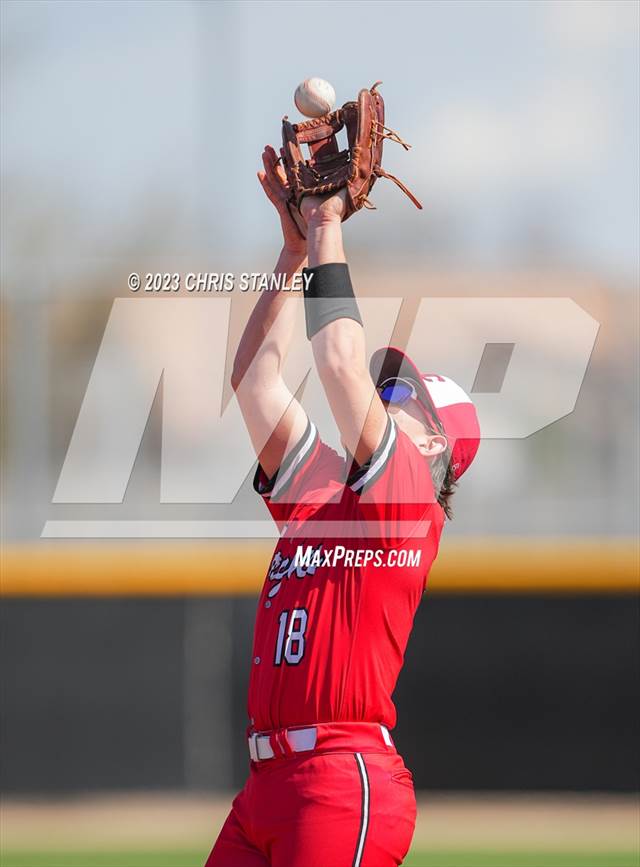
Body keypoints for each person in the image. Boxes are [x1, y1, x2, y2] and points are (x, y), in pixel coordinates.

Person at [205, 145, 480, 867]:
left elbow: (335, 363)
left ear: (439, 453)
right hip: (268, 784)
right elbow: (255, 383)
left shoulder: (406, 500)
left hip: (342, 780)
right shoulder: (329, 491)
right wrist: (292, 251)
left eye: (409, 401)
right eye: (392, 389)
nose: (390, 398)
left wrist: (328, 221)